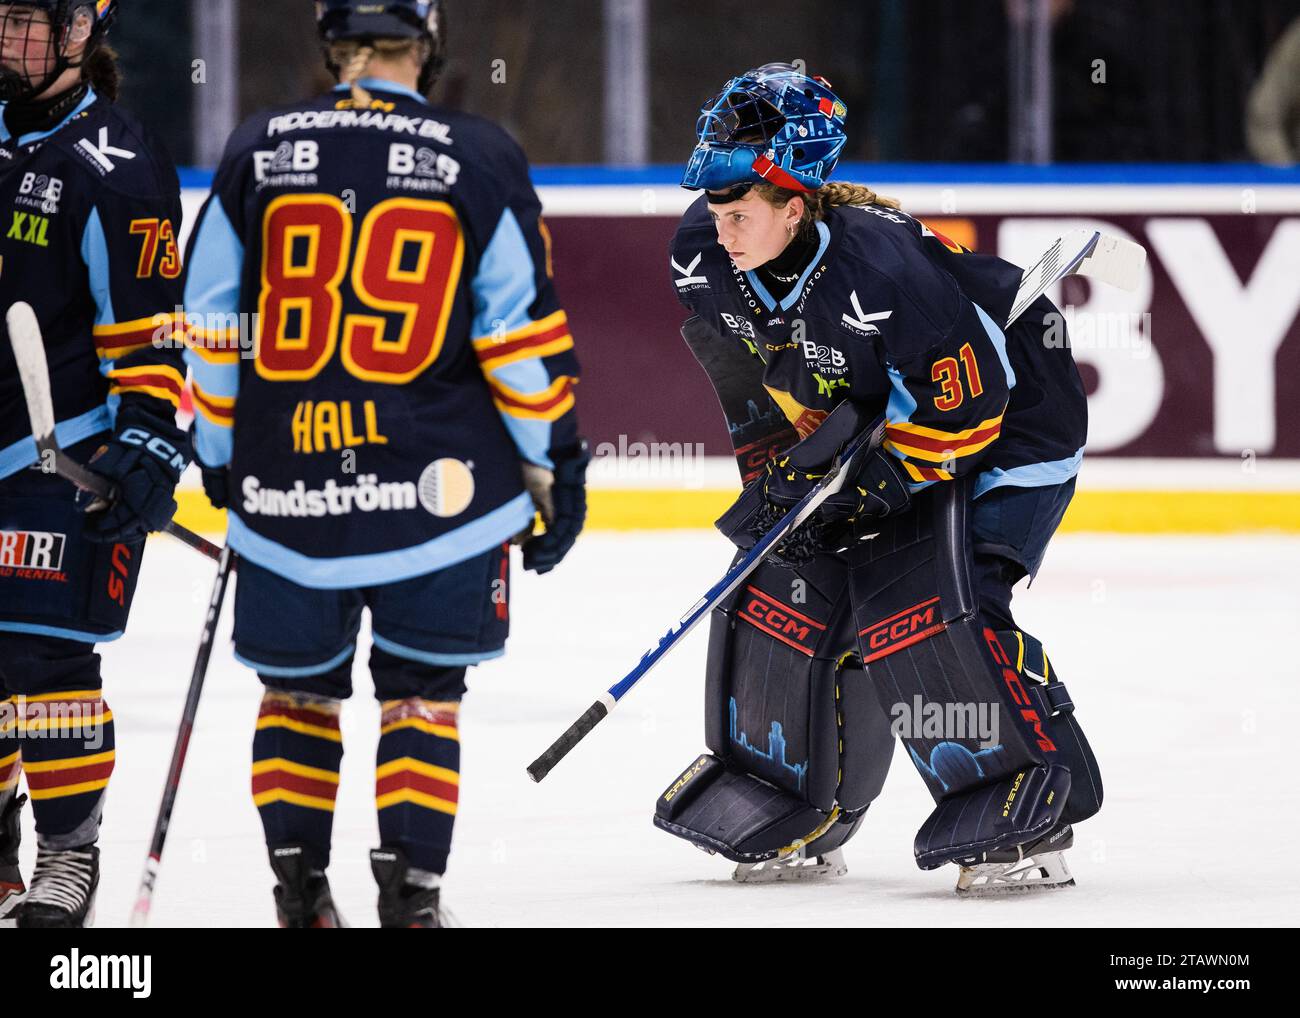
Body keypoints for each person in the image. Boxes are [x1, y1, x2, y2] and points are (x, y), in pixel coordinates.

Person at [183, 0, 587, 928]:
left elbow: (209, 325)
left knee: (296, 696)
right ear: (429, 44)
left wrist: (217, 450)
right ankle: (411, 896)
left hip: (286, 490)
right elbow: (515, 333)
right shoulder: (476, 153)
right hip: (439, 495)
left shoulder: (258, 145)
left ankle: (300, 893)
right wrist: (555, 465)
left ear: (333, 45)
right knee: (422, 700)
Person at [655, 64, 1102, 893]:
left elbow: (970, 410)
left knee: (926, 605)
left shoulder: (882, 269)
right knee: (780, 586)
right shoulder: (703, 256)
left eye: (740, 211)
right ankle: (795, 798)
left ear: (796, 206)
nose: (720, 228)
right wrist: (788, 484)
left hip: (1013, 425)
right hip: (896, 427)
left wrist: (872, 488)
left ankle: (1027, 792)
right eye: (715, 208)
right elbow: (758, 383)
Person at [0, 0, 189, 927]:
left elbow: (151, 326)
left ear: (79, 31)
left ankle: (67, 853)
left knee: (43, 658)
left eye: (22, 19)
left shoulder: (115, 163)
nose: (5, 37)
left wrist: (149, 434)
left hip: (59, 446)